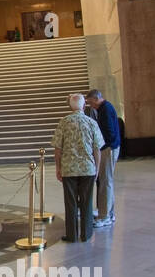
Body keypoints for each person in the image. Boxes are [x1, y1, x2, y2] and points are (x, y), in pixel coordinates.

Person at [51, 93, 104, 243]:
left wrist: (58, 168)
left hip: (69, 169)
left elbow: (57, 149)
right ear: (84, 105)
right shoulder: (91, 123)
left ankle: (72, 235)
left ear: (70, 106)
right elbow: (97, 149)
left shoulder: (64, 122)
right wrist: (97, 169)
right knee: (87, 202)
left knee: (70, 203)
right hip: (88, 169)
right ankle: (86, 234)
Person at [84, 89, 121, 226]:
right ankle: (107, 212)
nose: (90, 105)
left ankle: (105, 216)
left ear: (95, 99)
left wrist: (101, 146)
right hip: (110, 147)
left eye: (90, 102)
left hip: (109, 149)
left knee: (106, 182)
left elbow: (109, 133)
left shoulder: (105, 110)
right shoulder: (105, 108)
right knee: (106, 181)